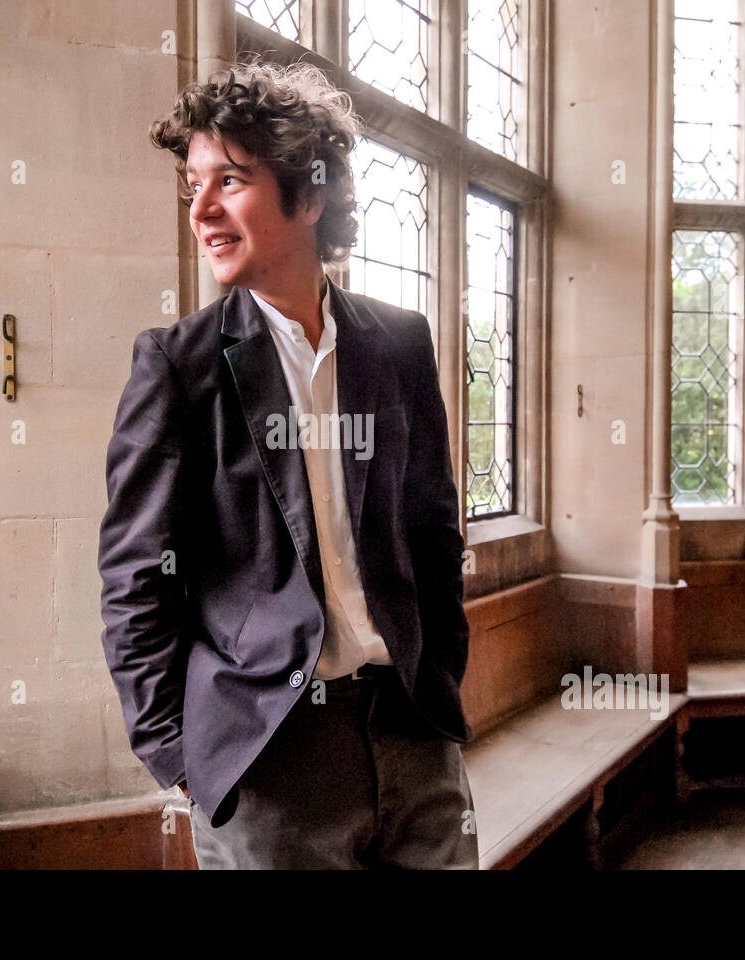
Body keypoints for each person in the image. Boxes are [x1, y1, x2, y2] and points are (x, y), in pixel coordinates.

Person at [98, 57, 477, 869]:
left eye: (229, 180)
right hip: (267, 763)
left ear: (307, 196)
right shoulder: (176, 365)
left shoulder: (401, 343)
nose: (200, 209)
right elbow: (136, 582)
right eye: (193, 184)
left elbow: (434, 532)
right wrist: (184, 758)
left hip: (414, 733)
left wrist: (439, 674)